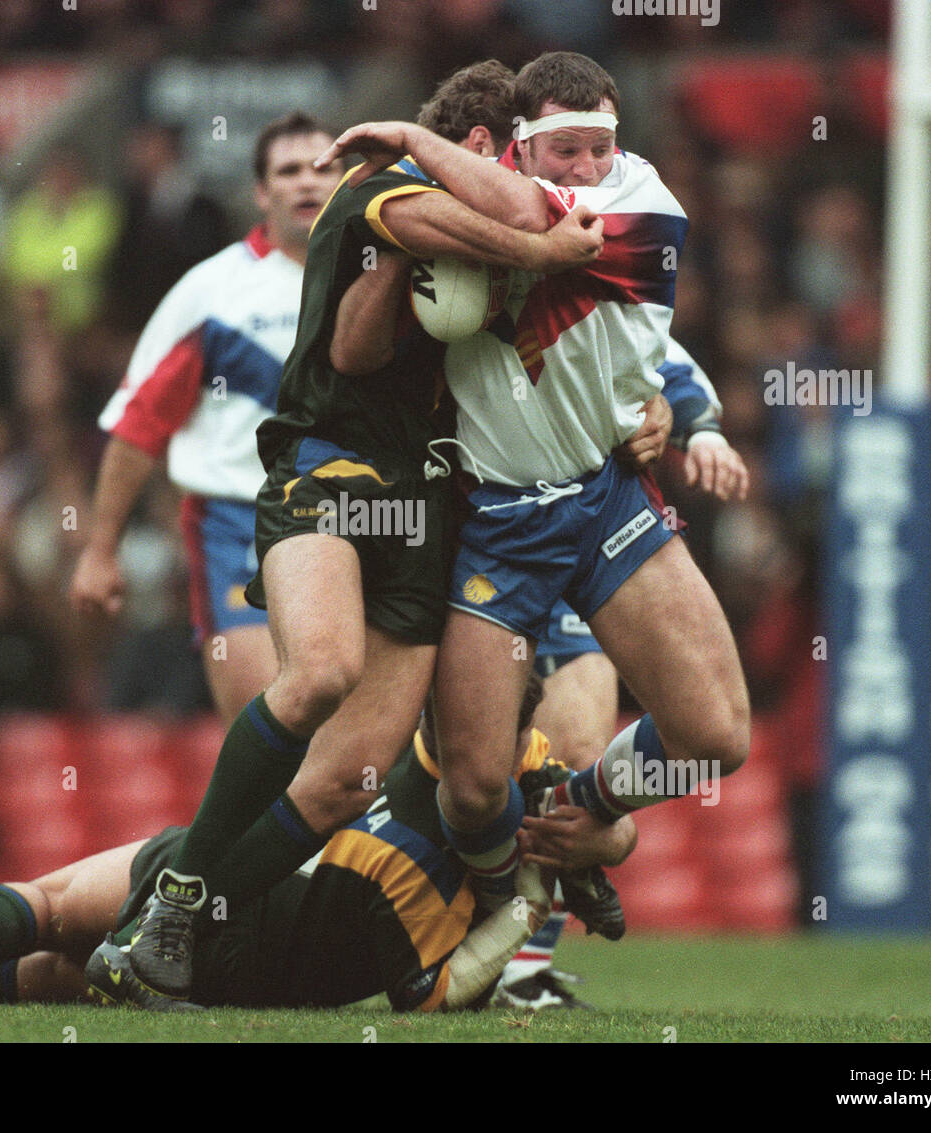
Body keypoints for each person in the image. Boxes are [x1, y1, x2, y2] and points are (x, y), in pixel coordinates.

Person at [124, 73, 607, 1002]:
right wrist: (540, 248)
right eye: (515, 154)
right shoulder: (381, 185)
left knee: (349, 777)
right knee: (318, 672)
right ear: (478, 141)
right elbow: (354, 349)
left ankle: (167, 924)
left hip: (430, 514)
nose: (533, 177)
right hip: (332, 472)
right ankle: (179, 894)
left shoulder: (493, 258)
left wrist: (659, 416)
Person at [319, 52, 752, 917]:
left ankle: (580, 806)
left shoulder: (644, 202)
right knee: (475, 790)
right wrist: (407, 240)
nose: (590, 168)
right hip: (494, 519)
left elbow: (554, 227)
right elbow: (354, 353)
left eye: (602, 147)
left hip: (603, 501)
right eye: (567, 152)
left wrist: (410, 143)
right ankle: (501, 902)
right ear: (520, 146)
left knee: (716, 735)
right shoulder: (461, 214)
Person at [0, 677, 637, 1014]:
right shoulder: (445, 850)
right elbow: (434, 995)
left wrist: (594, 851)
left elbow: (599, 817)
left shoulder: (422, 754)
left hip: (228, 864)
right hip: (255, 963)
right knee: (45, 979)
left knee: (52, 907)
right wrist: (532, 899)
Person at [70, 113, 343, 723]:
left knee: (357, 756)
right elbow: (140, 423)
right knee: (270, 732)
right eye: (288, 171)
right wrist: (101, 549)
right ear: (259, 192)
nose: (306, 183)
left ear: (349, 182)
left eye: (323, 169)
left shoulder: (386, 277)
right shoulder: (211, 292)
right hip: (238, 524)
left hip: (361, 519)